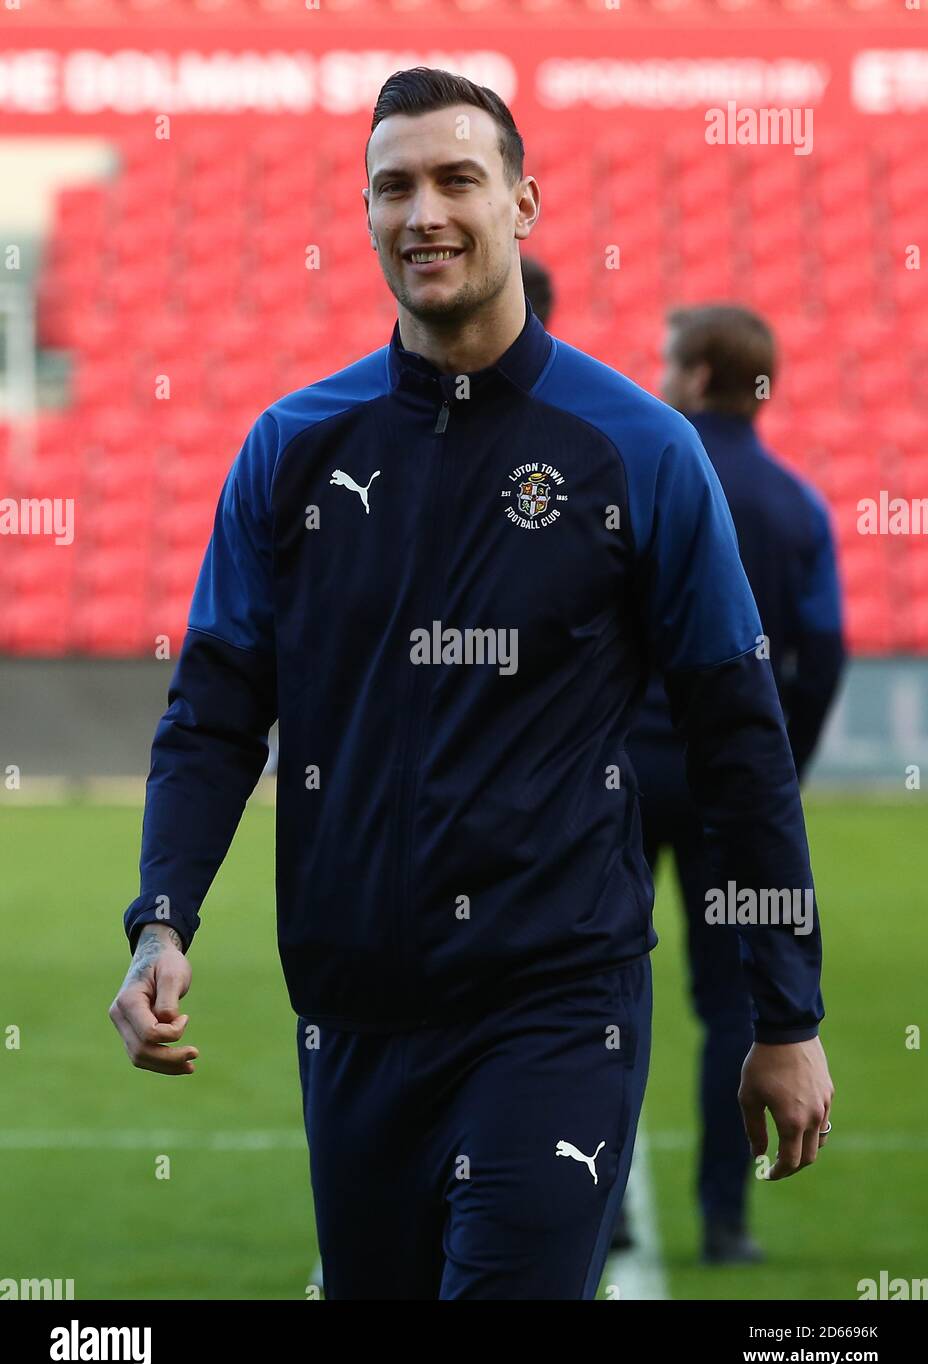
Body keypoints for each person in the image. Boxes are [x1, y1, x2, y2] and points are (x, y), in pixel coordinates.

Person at [110, 68, 834, 1301]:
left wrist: (786, 1012)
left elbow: (737, 740)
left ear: (524, 202)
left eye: (457, 179)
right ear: (365, 212)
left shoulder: (637, 452)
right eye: (393, 186)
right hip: (352, 1010)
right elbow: (216, 710)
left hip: (554, 1006)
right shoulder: (292, 450)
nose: (423, 212)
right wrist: (160, 918)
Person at [617, 305, 846, 1264]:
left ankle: (593, 1195)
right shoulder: (798, 506)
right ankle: (725, 1219)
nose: (660, 373)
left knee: (595, 995)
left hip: (620, 779)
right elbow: (826, 651)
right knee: (731, 1009)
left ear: (702, 373)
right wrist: (776, 771)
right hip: (727, 797)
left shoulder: (641, 476)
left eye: (671, 359)